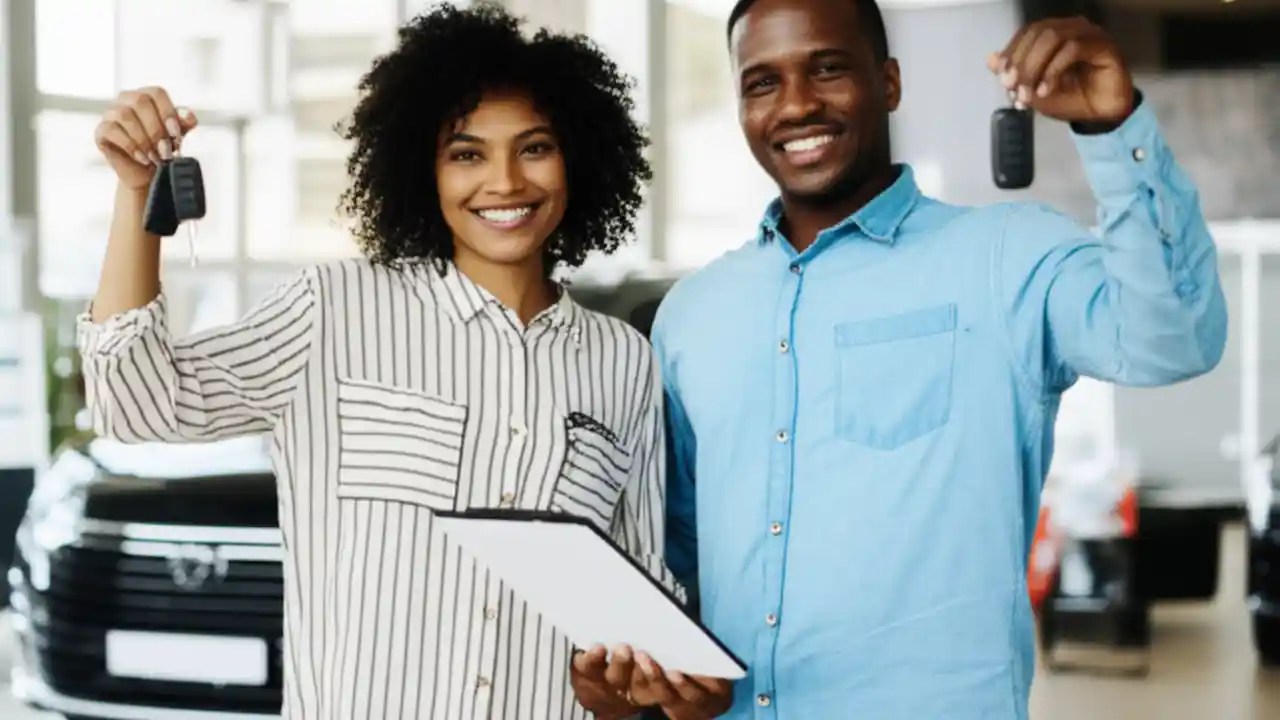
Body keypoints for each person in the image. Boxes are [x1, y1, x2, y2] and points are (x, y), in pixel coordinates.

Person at [79, 4, 688, 718]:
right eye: (466, 153)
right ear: (421, 168)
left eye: (534, 147)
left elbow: (640, 607)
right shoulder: (331, 310)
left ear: (577, 157)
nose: (504, 182)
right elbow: (133, 402)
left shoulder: (624, 361)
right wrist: (133, 196)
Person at [650, 1, 1227, 718]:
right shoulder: (691, 314)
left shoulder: (1008, 257)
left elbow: (1173, 337)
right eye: (762, 83)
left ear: (888, 82)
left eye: (827, 69)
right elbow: (679, 555)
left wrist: (1112, 128)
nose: (796, 105)